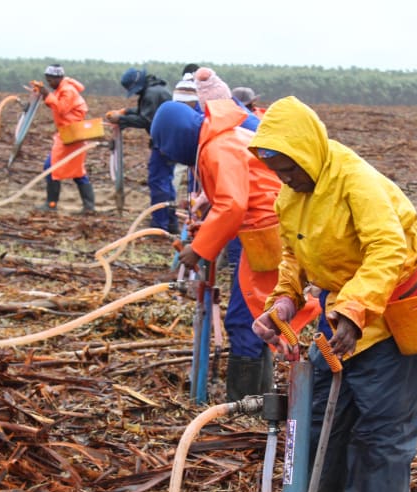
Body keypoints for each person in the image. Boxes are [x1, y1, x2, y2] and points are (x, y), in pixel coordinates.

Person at [248, 96, 417, 492]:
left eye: (289, 168)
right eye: (277, 171)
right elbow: (293, 254)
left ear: (308, 152)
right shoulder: (291, 195)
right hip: (337, 322)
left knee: (380, 435)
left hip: (388, 320)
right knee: (314, 427)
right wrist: (285, 300)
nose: (283, 179)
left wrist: (354, 312)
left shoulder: (356, 180)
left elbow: (388, 249)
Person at [150, 99, 318, 400]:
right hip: (265, 229)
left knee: (248, 319)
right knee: (259, 313)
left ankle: (243, 406)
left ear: (174, 138)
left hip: (265, 232)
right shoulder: (221, 138)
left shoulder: (217, 146)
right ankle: (259, 398)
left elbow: (233, 205)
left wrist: (198, 249)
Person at [106, 68, 177, 232]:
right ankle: (171, 223)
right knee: (166, 182)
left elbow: (145, 119)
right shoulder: (157, 89)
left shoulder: (151, 93)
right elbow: (144, 111)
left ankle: (159, 224)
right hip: (169, 142)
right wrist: (126, 112)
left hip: (163, 144)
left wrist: (121, 119)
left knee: (158, 182)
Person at [37, 64, 96, 214]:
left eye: (50, 80)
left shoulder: (67, 90)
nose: (49, 83)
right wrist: (46, 95)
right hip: (67, 134)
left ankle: (51, 205)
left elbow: (62, 108)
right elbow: (58, 106)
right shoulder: (61, 89)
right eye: (47, 80)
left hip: (71, 135)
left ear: (58, 78)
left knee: (52, 168)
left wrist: (47, 95)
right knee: (74, 170)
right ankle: (88, 206)